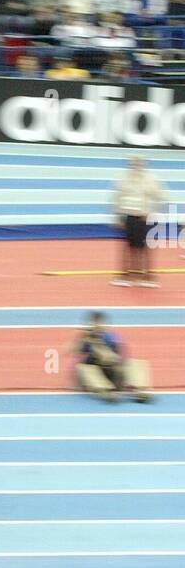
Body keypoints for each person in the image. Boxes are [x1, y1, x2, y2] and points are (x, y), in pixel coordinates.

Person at [71, 312, 153, 404]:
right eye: (93, 323)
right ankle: (105, 392)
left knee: (134, 363)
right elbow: (70, 350)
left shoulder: (110, 337)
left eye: (98, 323)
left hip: (113, 373)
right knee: (83, 368)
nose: (96, 326)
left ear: (103, 324)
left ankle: (139, 391)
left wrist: (96, 343)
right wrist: (83, 339)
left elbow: (109, 358)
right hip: (97, 378)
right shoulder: (85, 338)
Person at [111, 157, 166, 287]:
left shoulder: (150, 179)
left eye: (139, 163)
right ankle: (125, 275)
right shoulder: (124, 179)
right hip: (129, 217)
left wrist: (151, 212)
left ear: (144, 165)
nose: (135, 166)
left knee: (144, 248)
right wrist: (118, 217)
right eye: (133, 163)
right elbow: (117, 198)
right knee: (127, 246)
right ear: (129, 165)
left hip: (143, 217)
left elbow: (160, 196)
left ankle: (148, 277)